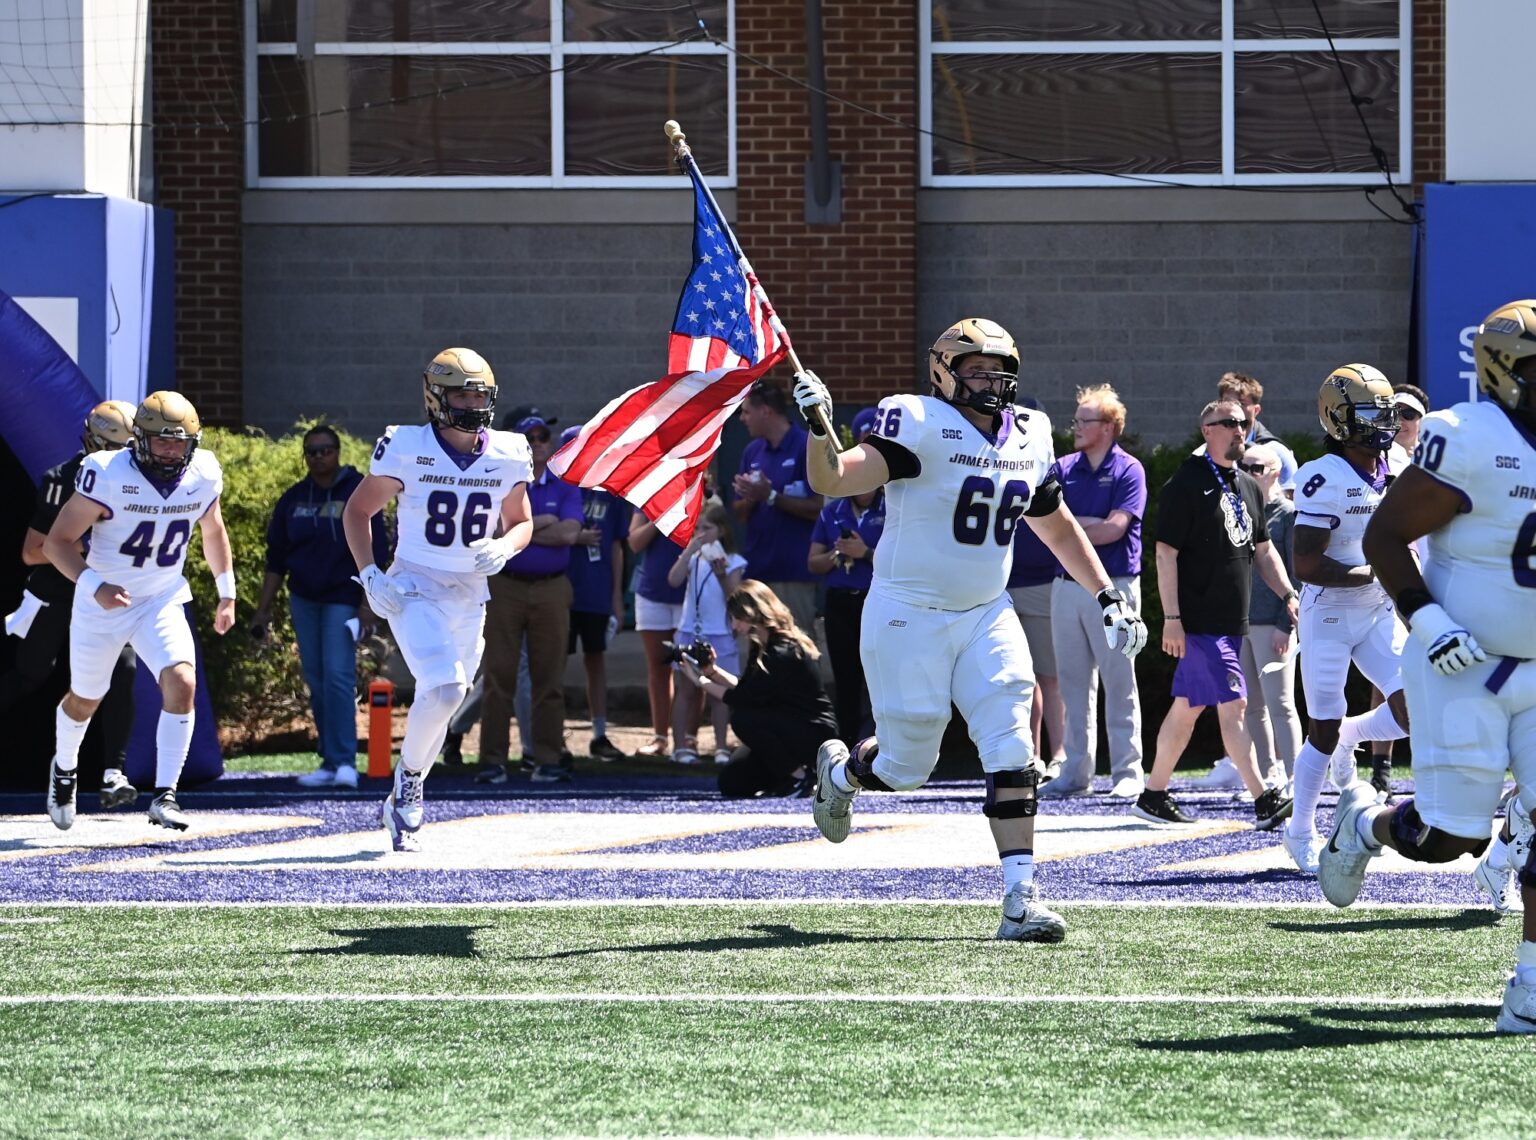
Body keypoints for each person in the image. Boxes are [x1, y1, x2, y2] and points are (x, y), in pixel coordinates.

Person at [792, 317, 1148, 943]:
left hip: (986, 610)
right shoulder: (917, 421)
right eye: (977, 370)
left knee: (1013, 742)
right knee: (906, 766)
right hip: (909, 612)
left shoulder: (1030, 432)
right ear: (943, 373)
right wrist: (819, 431)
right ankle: (842, 775)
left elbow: (1055, 522)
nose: (991, 382)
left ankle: (1020, 899)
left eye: (1000, 371)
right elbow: (836, 478)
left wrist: (1106, 594)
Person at [1349, 299, 1536, 1034]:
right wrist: (1427, 620)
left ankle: (1529, 987)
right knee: (1451, 838)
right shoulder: (1470, 436)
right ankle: (1368, 825)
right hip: (1464, 663)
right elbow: (1385, 535)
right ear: (1503, 370)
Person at [343, 348, 533, 852]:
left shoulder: (508, 451)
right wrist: (369, 573)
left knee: (449, 695)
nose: (472, 404)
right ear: (434, 397)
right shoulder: (407, 446)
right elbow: (357, 511)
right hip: (416, 586)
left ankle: (406, 783)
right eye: (461, 395)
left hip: (471, 594)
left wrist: (505, 546)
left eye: (479, 395)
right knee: (446, 689)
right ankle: (409, 782)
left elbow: (522, 521)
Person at [42, 391, 237, 832]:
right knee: (86, 699)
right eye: (162, 441)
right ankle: (65, 768)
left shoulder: (203, 473)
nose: (171, 451)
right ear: (140, 439)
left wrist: (227, 592)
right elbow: (56, 543)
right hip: (103, 601)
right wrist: (95, 585)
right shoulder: (108, 473)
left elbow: (213, 531)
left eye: (179, 442)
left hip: (160, 597)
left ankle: (165, 795)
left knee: (182, 681)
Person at [1132, 398, 1299, 830]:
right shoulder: (1186, 483)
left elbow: (1264, 551)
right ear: (1207, 430)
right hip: (1200, 621)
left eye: (1243, 423)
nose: (1239, 429)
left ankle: (1153, 794)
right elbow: (1165, 554)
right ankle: (1264, 799)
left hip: (1230, 621)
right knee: (1236, 704)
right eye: (1229, 423)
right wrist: (1172, 619)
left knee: (1187, 707)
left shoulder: (1247, 485)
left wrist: (1287, 593)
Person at [1279, 366, 1409, 874]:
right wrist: (1378, 571)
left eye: (1385, 412)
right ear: (1339, 419)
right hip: (1329, 614)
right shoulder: (1323, 477)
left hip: (1377, 612)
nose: (1383, 423)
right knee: (1322, 728)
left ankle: (1354, 734)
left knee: (1415, 709)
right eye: (1370, 413)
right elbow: (1306, 565)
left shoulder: (1395, 465)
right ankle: (1299, 832)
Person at [2, 401, 139, 807]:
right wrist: (87, 543)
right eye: (115, 447)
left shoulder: (144, 480)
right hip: (60, 590)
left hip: (108, 592)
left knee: (124, 671)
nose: (125, 457)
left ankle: (114, 772)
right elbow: (32, 552)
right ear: (94, 442)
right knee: (31, 673)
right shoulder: (63, 479)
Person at [251, 424, 389, 789]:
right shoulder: (294, 498)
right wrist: (263, 610)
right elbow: (276, 559)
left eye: (325, 450)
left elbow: (376, 553)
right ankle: (329, 761)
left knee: (338, 676)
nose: (318, 457)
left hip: (343, 597)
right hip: (304, 597)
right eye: (311, 452)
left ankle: (345, 761)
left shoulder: (357, 493)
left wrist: (368, 605)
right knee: (316, 677)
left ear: (337, 452)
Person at [1039, 384, 1146, 800]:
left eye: (1085, 420)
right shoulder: (1063, 468)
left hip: (1115, 587)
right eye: (1076, 419)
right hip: (1065, 586)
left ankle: (1127, 771)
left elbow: (1114, 529)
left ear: (1109, 427)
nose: (1076, 427)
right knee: (1072, 684)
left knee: (1120, 681)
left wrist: (1072, 527)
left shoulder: (1129, 470)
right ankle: (1075, 773)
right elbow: (1053, 529)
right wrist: (1086, 524)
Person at [476, 414, 582, 784]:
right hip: (505, 585)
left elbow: (570, 533)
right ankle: (492, 761)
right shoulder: (500, 482)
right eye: (530, 437)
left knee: (549, 678)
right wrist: (544, 522)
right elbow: (494, 531)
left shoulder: (565, 484)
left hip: (552, 586)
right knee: (498, 676)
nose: (538, 443)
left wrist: (522, 529)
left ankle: (547, 760)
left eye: (543, 436)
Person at [677, 580, 838, 799]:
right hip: (786, 728)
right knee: (732, 783)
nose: (734, 626)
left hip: (812, 732)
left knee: (744, 718)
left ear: (753, 614)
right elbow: (748, 688)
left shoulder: (782, 652)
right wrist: (711, 672)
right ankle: (788, 774)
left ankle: (800, 777)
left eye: (736, 618)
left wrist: (700, 681)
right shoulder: (763, 645)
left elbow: (741, 698)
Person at [808, 406, 884, 745]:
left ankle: (880, 743)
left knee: (879, 677)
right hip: (840, 602)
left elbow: (904, 562)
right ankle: (849, 745)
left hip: (876, 600)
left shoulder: (892, 506)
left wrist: (864, 552)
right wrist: (838, 554)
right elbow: (813, 563)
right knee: (845, 676)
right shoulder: (833, 510)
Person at [560, 423, 630, 762]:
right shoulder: (560, 486)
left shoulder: (609, 488)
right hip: (562, 588)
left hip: (597, 589)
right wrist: (575, 537)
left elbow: (616, 546)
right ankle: (552, 732)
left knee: (596, 659)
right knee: (553, 664)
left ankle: (599, 734)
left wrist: (616, 598)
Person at [1234, 443, 1301, 792]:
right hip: (1240, 622)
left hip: (1272, 624)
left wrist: (1284, 625)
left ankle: (1297, 778)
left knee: (1281, 704)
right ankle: (1268, 777)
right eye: (1243, 466)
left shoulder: (1287, 514)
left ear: (1275, 473)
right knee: (1251, 706)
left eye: (1256, 468)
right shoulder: (1236, 511)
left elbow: (1297, 575)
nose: (1247, 473)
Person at [732, 380, 823, 635]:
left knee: (797, 643)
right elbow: (738, 513)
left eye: (746, 411)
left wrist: (771, 496)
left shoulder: (806, 446)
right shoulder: (752, 451)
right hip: (758, 572)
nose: (742, 418)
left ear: (766, 411)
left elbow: (818, 508)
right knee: (759, 647)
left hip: (795, 572)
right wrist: (752, 497)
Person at [666, 503, 747, 765]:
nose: (701, 533)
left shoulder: (733, 560)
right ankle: (680, 747)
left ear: (721, 530)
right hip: (690, 632)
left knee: (720, 695)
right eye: (697, 528)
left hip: (719, 634)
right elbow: (673, 580)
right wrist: (688, 551)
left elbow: (734, 598)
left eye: (707, 528)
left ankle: (721, 747)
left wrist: (722, 574)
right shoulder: (692, 559)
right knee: (686, 691)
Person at [1006, 491, 1067, 783]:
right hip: (998, 583)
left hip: (1042, 582)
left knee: (1050, 676)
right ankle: (1030, 756)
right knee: (1019, 678)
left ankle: (1060, 756)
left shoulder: (1047, 469)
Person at [628, 510, 686, 759]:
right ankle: (660, 738)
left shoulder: (702, 493)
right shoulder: (650, 495)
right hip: (652, 592)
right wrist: (660, 516)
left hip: (691, 594)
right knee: (659, 668)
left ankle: (689, 740)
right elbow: (634, 542)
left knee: (693, 671)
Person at [1216, 371, 1300, 496]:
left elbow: (1290, 501)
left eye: (1241, 403)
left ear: (1256, 410)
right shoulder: (1211, 450)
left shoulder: (1278, 452)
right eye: (1228, 403)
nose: (1233, 409)